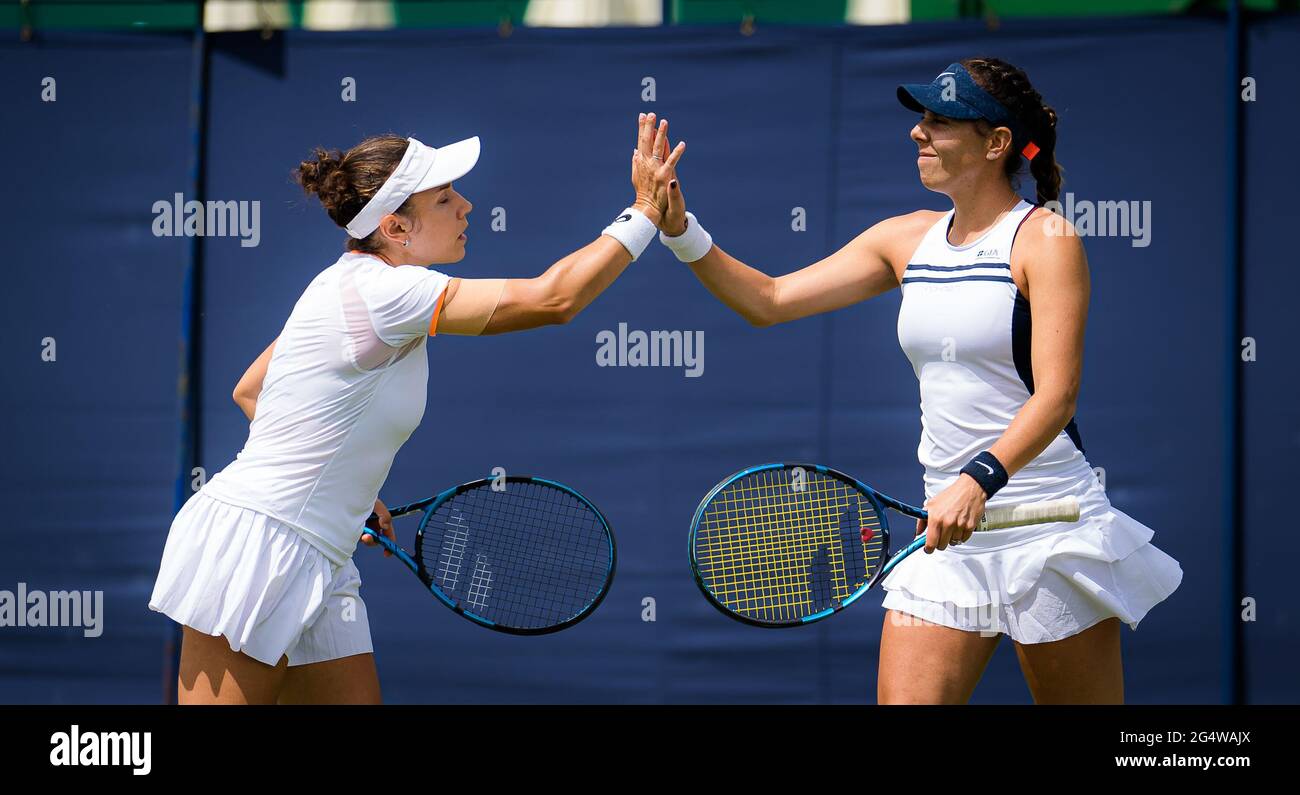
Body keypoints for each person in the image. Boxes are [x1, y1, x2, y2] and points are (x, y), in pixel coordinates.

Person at [655, 58, 1182, 704]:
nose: (918, 132)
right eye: (921, 118)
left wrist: (979, 478)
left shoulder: (1046, 239)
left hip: (1052, 530)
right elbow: (768, 299)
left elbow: (1057, 394)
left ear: (996, 144)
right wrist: (680, 231)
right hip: (947, 532)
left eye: (941, 120)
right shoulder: (902, 240)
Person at [149, 113, 684, 704]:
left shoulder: (348, 283)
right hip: (261, 545)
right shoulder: (384, 292)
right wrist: (645, 213)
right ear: (396, 226)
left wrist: (346, 495)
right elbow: (553, 299)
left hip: (321, 555)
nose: (467, 207)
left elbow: (250, 389)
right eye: (446, 198)